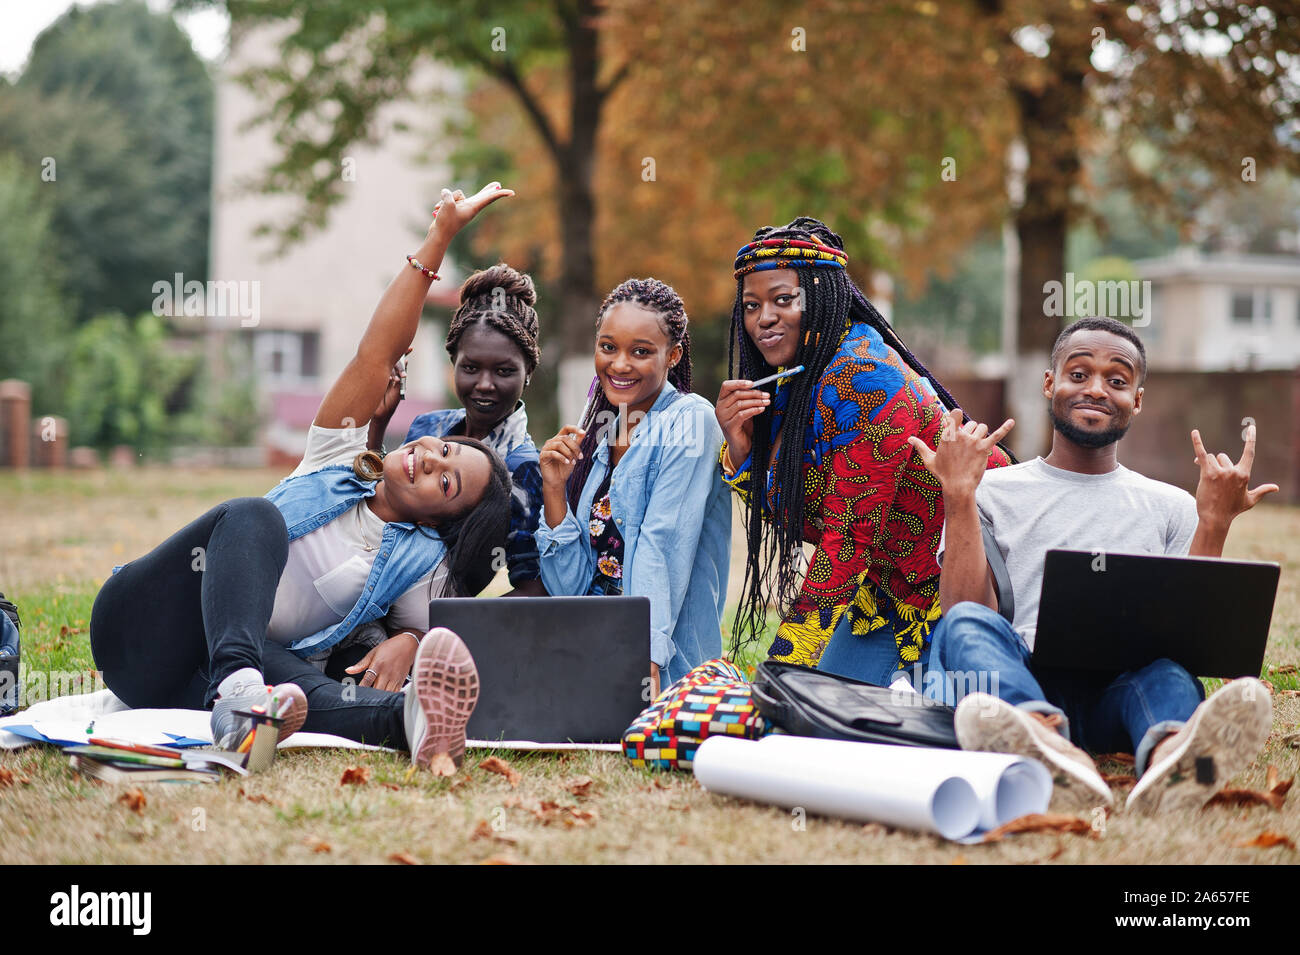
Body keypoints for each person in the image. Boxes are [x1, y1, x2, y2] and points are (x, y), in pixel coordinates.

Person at [89, 182, 516, 774]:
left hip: (185, 683)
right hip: (139, 629)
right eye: (442, 448)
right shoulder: (334, 459)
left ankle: (413, 725)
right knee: (252, 515)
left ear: (437, 522)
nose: (429, 458)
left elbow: (452, 627)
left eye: (446, 483)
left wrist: (413, 642)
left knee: (301, 692)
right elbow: (375, 356)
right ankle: (243, 693)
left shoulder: (420, 563)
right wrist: (439, 237)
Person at [911, 316, 1277, 814]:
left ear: (1137, 400)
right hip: (1020, 680)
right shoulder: (991, 490)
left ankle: (1174, 758)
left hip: (1122, 695)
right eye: (1078, 374)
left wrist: (1213, 522)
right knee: (966, 626)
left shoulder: (1169, 506)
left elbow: (1188, 636)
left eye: (1118, 380)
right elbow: (964, 607)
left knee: (1169, 672)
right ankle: (1044, 740)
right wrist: (958, 495)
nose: (1097, 390)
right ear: (1050, 384)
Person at [716, 217, 1011, 682]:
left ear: (823, 297)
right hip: (885, 590)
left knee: (886, 724)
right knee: (824, 714)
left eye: (783, 300)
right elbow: (796, 513)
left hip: (962, 588)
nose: (763, 318)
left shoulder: (866, 378)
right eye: (751, 305)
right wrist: (741, 449)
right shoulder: (799, 376)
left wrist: (779, 671)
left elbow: (846, 542)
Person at [536, 278, 731, 694]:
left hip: (665, 666)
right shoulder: (600, 432)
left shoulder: (691, 421)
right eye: (608, 347)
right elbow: (567, 588)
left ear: (673, 355)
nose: (619, 364)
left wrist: (645, 664)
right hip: (589, 649)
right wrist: (554, 491)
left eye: (641, 351)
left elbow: (662, 545)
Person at [368, 262, 546, 597]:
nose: (485, 384)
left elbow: (532, 587)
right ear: (453, 363)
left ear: (528, 373)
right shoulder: (429, 427)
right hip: (372, 586)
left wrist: (453, 620)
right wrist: (378, 423)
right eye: (470, 367)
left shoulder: (526, 470)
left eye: (505, 371)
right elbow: (382, 501)